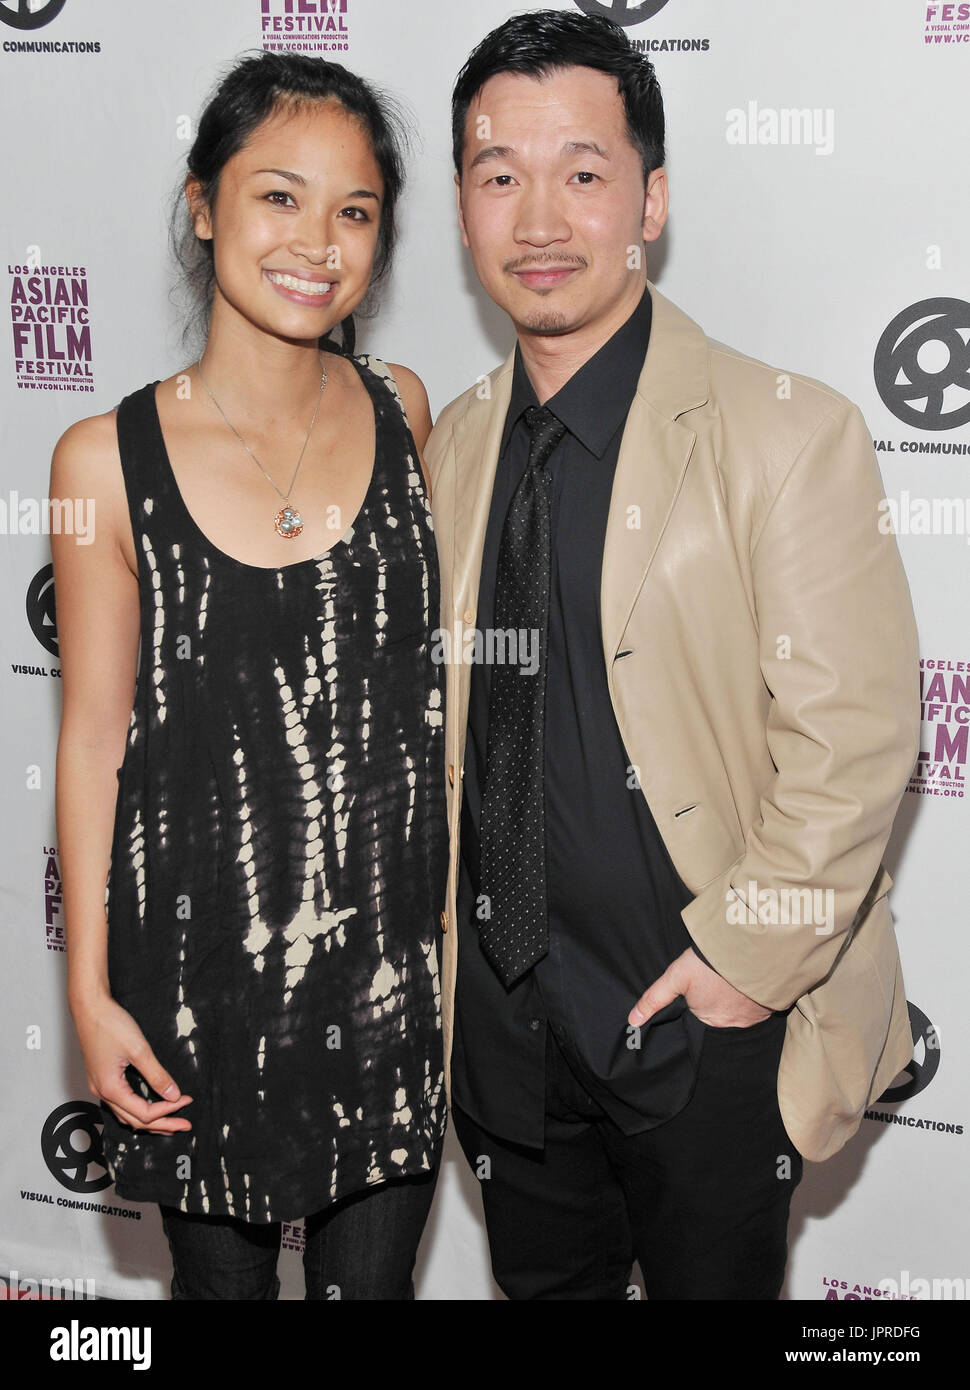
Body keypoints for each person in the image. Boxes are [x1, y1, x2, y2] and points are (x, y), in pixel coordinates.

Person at [425, 10, 920, 1301]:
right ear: (463, 209)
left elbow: (856, 745)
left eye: (583, 173)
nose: (540, 219)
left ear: (649, 199)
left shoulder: (788, 433)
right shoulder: (450, 445)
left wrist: (742, 969)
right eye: (498, 176)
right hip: (502, 1033)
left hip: (701, 1031)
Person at [50, 51, 448, 1301]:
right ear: (203, 205)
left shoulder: (405, 409)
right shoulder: (101, 459)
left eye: (355, 210)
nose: (317, 243)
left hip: (386, 979)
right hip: (197, 988)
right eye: (278, 196)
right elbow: (94, 737)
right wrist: (87, 990)